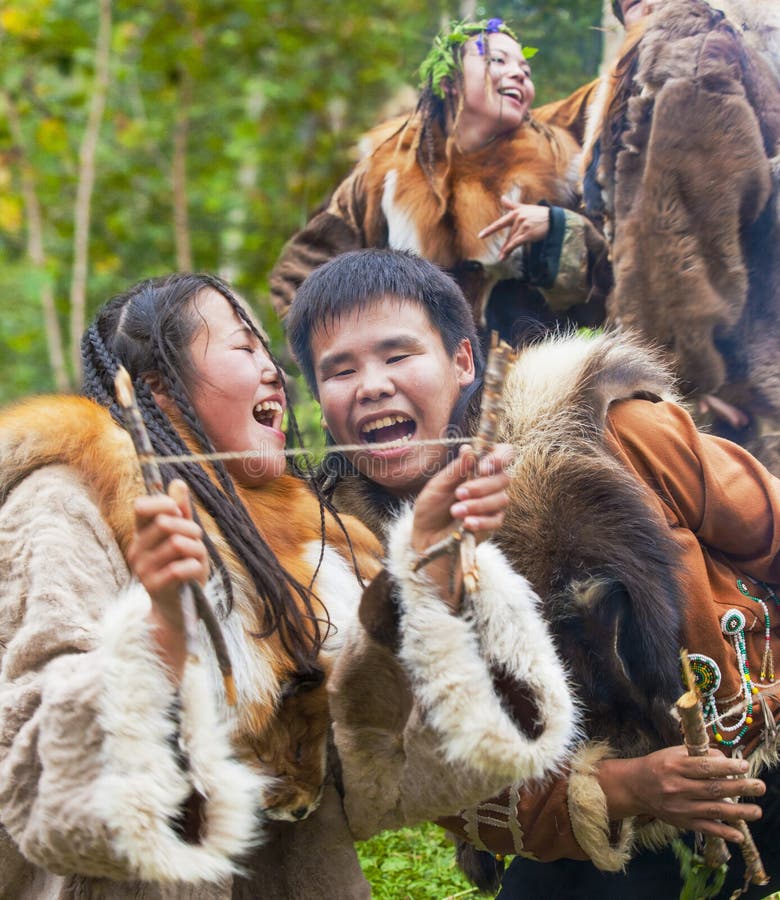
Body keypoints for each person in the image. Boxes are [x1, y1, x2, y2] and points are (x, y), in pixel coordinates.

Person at [0, 272, 578, 899]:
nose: (274, 369)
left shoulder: (296, 533)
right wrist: (159, 639)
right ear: (162, 392)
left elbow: (380, 786)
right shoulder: (62, 503)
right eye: (244, 347)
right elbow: (38, 799)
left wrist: (433, 571)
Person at [286, 248, 780, 899]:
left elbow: (770, 527)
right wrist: (632, 787)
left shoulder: (603, 427)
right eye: (340, 370)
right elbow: (438, 774)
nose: (371, 384)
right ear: (321, 403)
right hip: (618, 822)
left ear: (463, 361)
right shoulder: (355, 572)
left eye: (397, 355)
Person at [269, 17, 610, 348]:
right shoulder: (387, 170)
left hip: (523, 387)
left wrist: (559, 232)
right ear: (449, 82)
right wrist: (351, 353)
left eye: (526, 69)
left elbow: (606, 294)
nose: (519, 72)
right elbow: (301, 273)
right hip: (411, 387)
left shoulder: (557, 167)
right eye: (498, 60)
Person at [579, 0, 780, 472]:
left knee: (740, 530)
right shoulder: (740, 40)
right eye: (625, 5)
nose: (640, 9)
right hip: (752, 366)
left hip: (732, 387)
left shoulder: (687, 45)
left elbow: (679, 230)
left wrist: (682, 377)